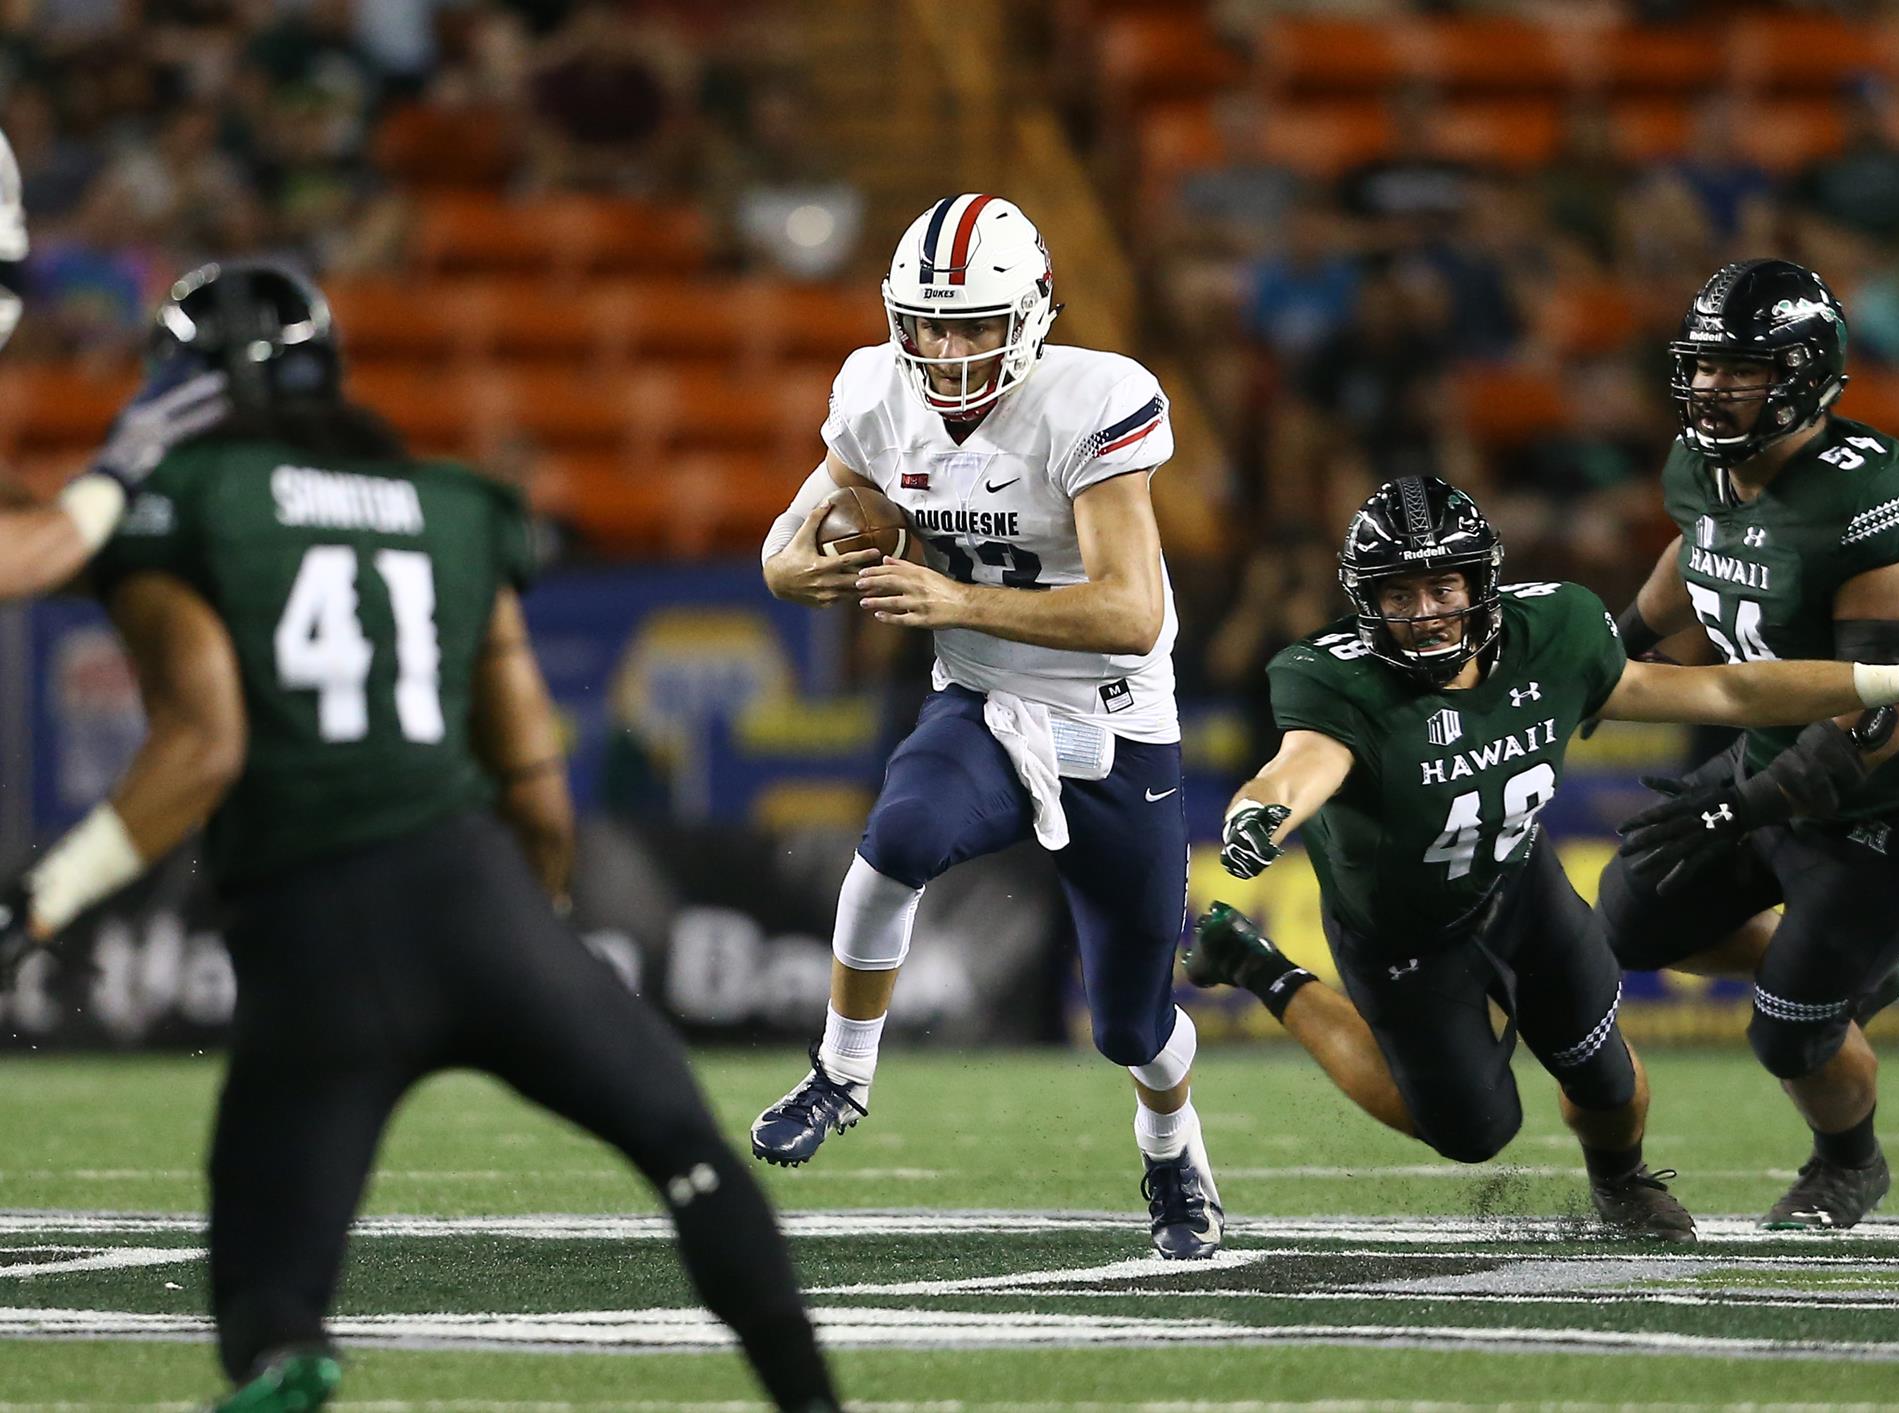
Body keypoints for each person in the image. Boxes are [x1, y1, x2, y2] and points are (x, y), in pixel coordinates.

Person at [0, 262, 839, 1413]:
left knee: (265, 1288)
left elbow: (202, 745)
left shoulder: (183, 502)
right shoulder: (449, 508)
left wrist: (42, 897)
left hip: (310, 938)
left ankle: (288, 1357)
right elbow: (536, 785)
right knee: (684, 1152)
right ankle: (813, 1406)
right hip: (473, 893)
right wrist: (525, 935)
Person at [1181, 474, 1899, 1240]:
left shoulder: (1555, 633)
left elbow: (1728, 691)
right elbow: (1300, 765)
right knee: (1473, 1130)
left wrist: (1887, 681)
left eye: (1441, 587)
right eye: (1399, 593)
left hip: (1518, 887)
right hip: (1401, 933)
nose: (1425, 611)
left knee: (1607, 1081)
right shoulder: (1330, 679)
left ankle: (1620, 1181)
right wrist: (1261, 813)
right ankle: (1263, 968)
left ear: (1479, 584)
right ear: (1367, 603)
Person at [755, 194, 1221, 1259]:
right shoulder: (878, 389)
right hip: (979, 701)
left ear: (1032, 315)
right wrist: (788, 567)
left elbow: (1129, 611)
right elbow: (796, 528)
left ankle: (1171, 1154)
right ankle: (841, 1072)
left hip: (1111, 721)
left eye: (971, 323)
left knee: (1130, 1027)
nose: (945, 349)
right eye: (926, 322)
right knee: (899, 839)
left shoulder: (1094, 398)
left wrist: (957, 601)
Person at [1597, 259, 1899, 1231]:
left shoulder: (1868, 492)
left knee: (1787, 1032)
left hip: (1898, 795)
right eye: (1702, 366)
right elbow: (1695, 551)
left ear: (1807, 373)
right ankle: (1857, 974)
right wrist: (1610, 654)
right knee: (1633, 915)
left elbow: (1880, 710)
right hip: (1776, 757)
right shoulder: (1699, 466)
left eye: (1741, 369)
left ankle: (1845, 1164)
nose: (1710, 388)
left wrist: (1747, 804)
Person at [0, 125, 230, 602]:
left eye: (124, 204)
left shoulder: (141, 265)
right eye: (106, 201)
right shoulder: (50, 258)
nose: (114, 211)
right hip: (50, 383)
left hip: (111, 385)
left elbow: (160, 323)